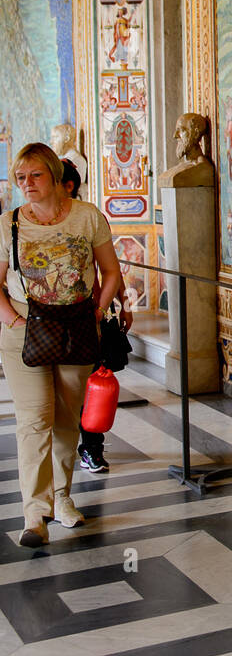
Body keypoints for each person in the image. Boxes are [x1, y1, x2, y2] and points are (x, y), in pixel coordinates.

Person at [0, 143, 122, 547]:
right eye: (20, 178)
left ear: (55, 177)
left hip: (76, 327)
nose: (27, 184)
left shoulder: (87, 218)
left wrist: (96, 312)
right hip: (24, 328)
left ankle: (63, 497)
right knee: (34, 419)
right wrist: (15, 320)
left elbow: (110, 272)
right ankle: (35, 514)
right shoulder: (9, 224)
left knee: (69, 416)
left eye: (35, 175)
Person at [59, 160, 133, 474]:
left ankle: (92, 449)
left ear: (68, 186)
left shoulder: (89, 218)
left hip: (90, 315)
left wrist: (124, 304)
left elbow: (109, 269)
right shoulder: (34, 221)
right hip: (49, 321)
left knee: (92, 384)